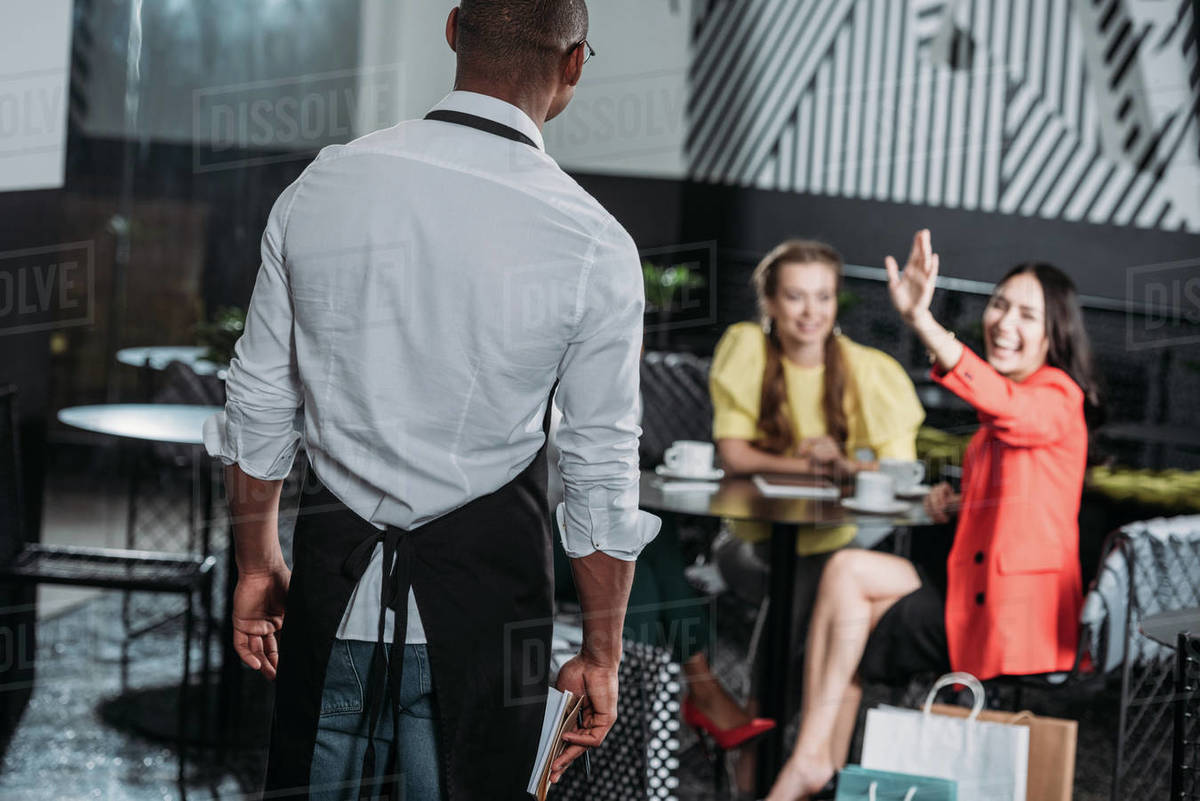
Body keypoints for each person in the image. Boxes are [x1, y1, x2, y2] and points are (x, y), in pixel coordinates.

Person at [204, 2, 661, 799]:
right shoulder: (595, 244)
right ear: (575, 65)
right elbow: (599, 472)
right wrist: (600, 652)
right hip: (485, 626)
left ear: (453, 30)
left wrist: (255, 561)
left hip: (326, 599)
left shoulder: (326, 183)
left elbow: (259, 399)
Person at [765, 231, 1102, 801]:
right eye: (999, 305)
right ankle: (813, 761)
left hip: (1013, 621)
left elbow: (1005, 409)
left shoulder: (1057, 396)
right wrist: (957, 502)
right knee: (845, 571)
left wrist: (921, 319)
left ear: (1054, 333)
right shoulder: (1018, 399)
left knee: (853, 614)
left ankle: (812, 763)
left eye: (1026, 314)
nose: (1003, 322)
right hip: (971, 590)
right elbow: (1018, 482)